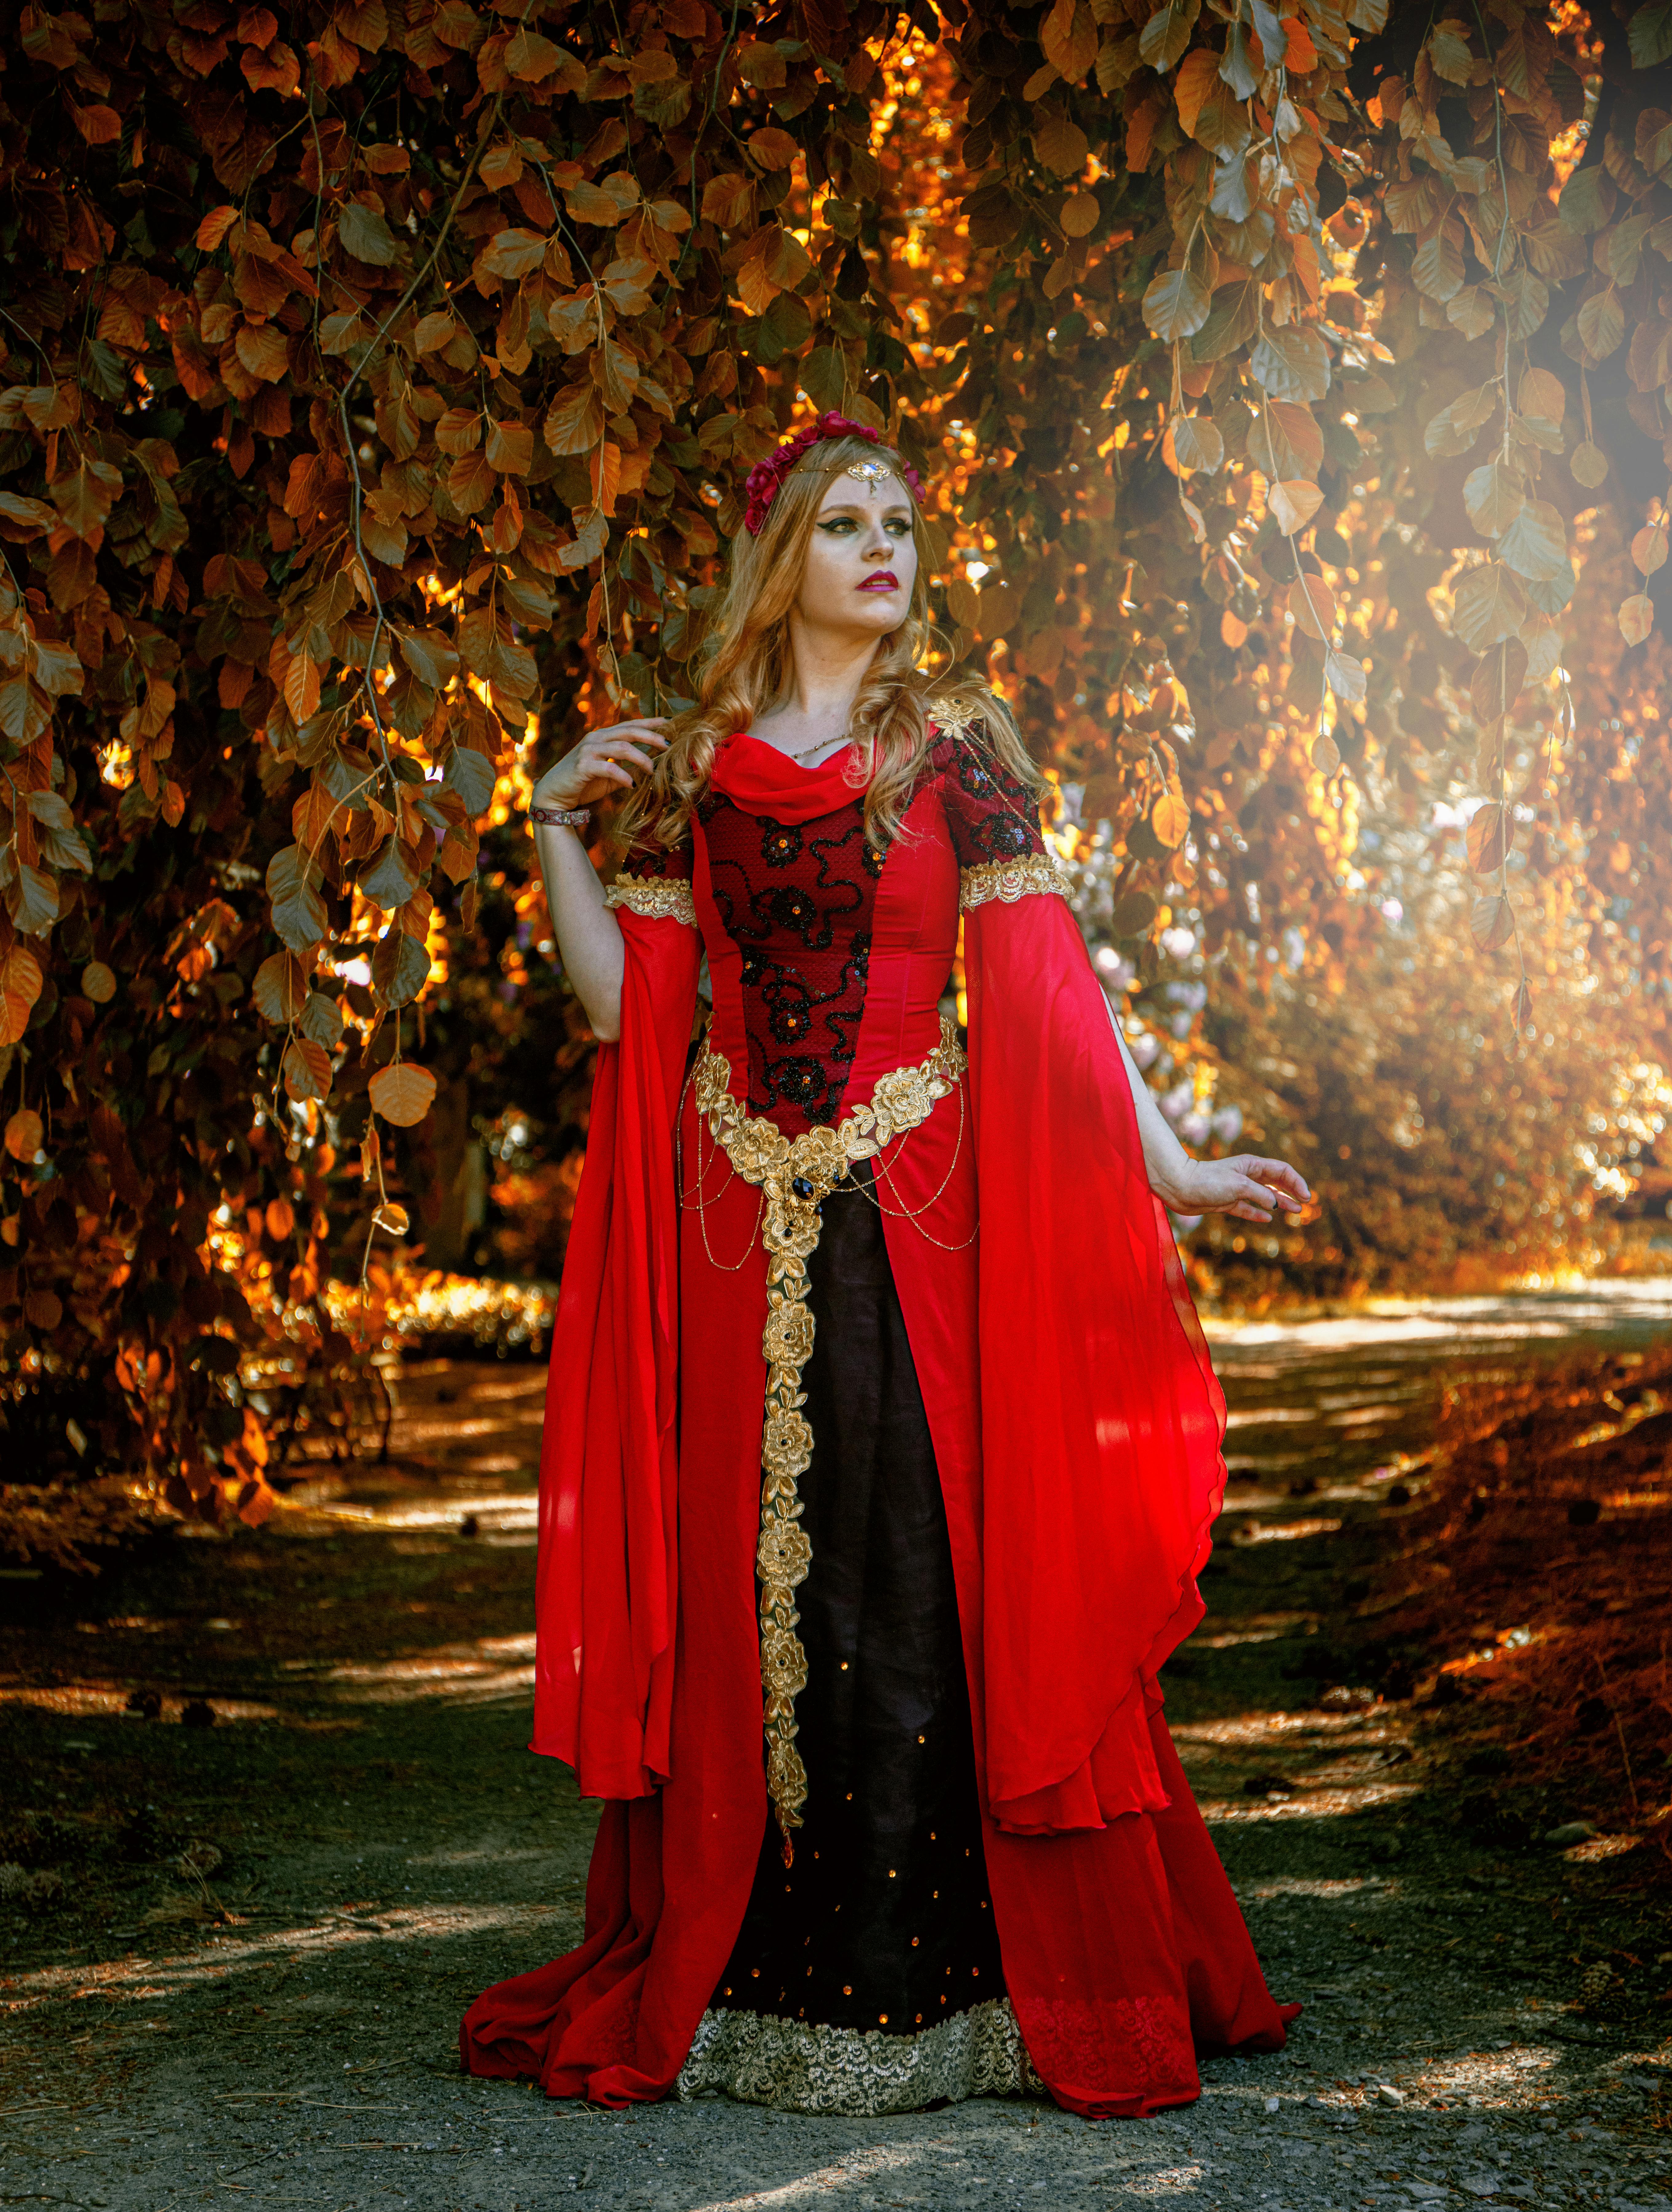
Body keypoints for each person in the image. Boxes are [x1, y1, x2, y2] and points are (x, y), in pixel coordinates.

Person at [458, 412, 1307, 2118]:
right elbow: (637, 1012)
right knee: (747, 1588)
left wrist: (1172, 1165)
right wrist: (555, 828)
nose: (883, 548)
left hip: (925, 1212)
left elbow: (1049, 990)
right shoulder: (697, 764)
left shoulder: (953, 749)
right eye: (847, 523)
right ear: (782, 558)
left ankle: (958, 1991)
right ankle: (757, 1986)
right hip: (731, 1222)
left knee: (927, 1565)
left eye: (901, 523)